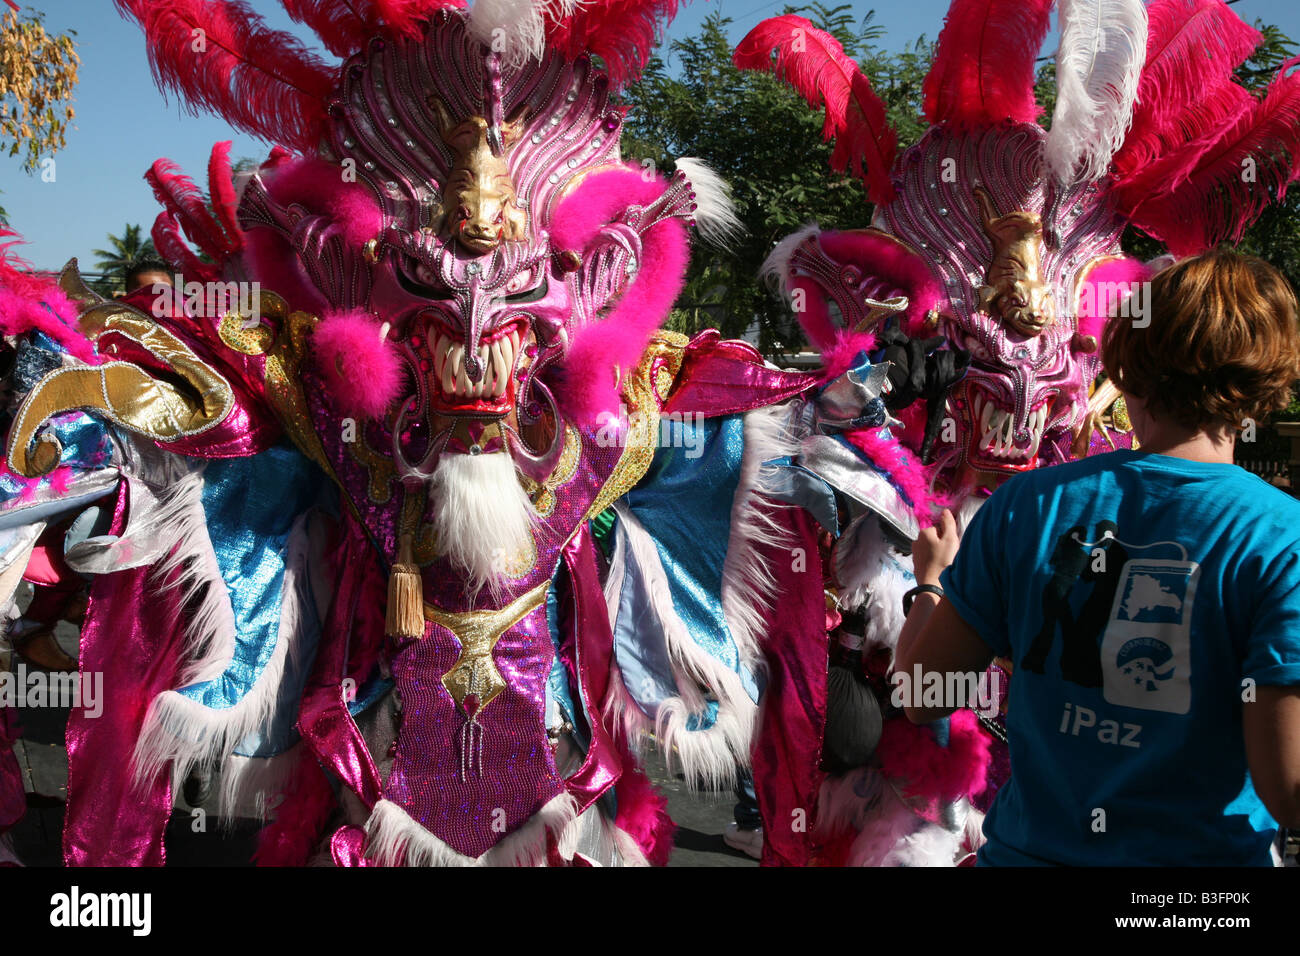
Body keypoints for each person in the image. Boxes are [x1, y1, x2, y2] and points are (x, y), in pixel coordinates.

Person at [896, 247, 1300, 865]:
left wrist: (929, 585)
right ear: (1267, 380)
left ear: (1128, 367)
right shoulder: (1282, 538)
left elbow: (924, 692)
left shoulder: (1026, 504)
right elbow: (1288, 787)